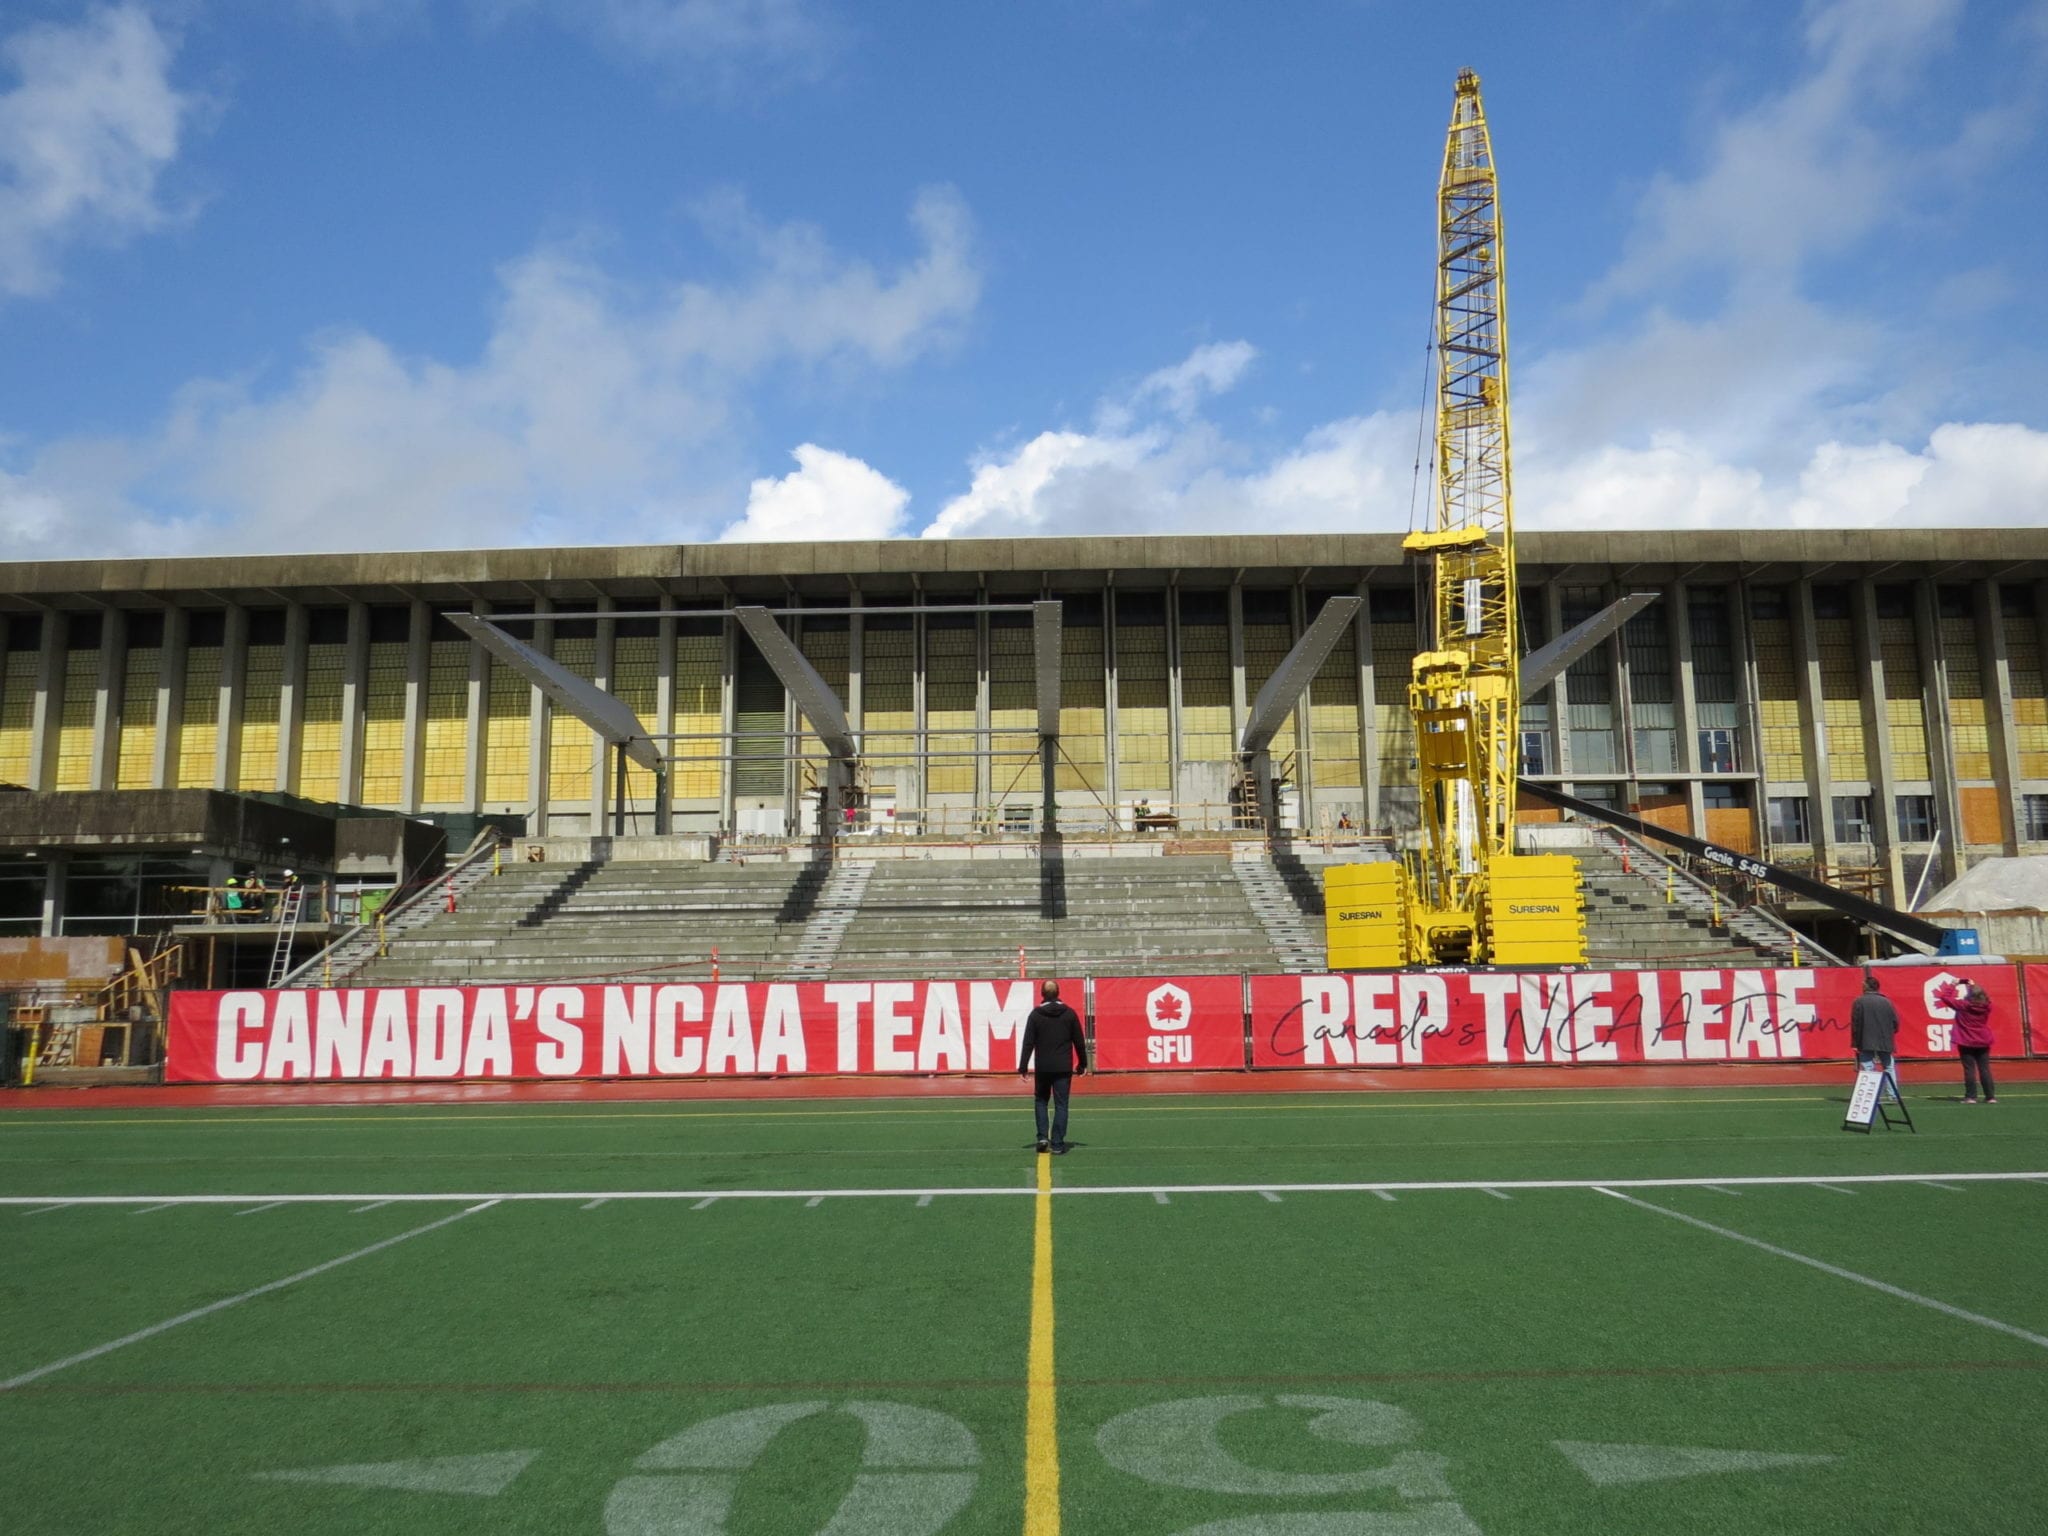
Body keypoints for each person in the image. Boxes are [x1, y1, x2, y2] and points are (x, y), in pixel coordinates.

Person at [1018, 979, 1088, 1154]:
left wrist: (1023, 1067)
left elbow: (1028, 1043)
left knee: (1041, 1101)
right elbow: (1079, 1041)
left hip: (1043, 1067)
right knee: (1061, 1105)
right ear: (1058, 993)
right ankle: (1057, 1143)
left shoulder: (1036, 1015)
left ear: (1042, 994)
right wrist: (1083, 1064)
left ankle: (1043, 1137)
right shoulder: (1069, 1014)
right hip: (1063, 1067)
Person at [1937, 978, 1997, 1104]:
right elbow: (1982, 996)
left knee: (1969, 1069)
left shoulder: (1963, 1005)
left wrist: (1953, 984)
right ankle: (1990, 1096)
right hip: (1982, 1040)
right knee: (1984, 1069)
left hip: (1966, 1040)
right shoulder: (1987, 1006)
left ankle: (1971, 1096)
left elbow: (1945, 997)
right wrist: (1973, 986)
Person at [1849, 974, 1899, 1085]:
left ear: (1866, 987)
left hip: (1866, 1039)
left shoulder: (1859, 1001)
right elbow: (1895, 1021)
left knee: (1868, 1068)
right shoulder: (1886, 1001)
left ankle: (1871, 1092)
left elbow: (1856, 1024)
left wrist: (1855, 1043)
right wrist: (1889, 1034)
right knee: (1888, 1067)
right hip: (1884, 1039)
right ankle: (1892, 1093)